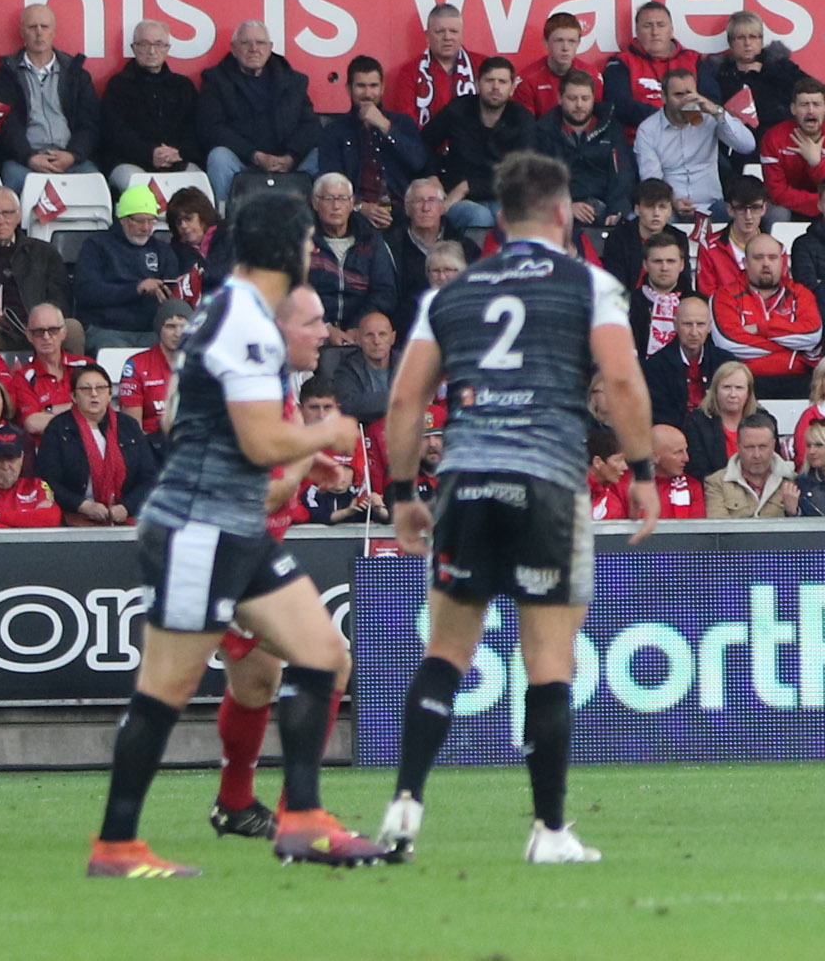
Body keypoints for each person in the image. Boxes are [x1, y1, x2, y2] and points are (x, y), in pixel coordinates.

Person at [87, 186, 387, 875]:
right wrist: (328, 431)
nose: (314, 252)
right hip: (198, 528)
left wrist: (297, 450)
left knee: (325, 655)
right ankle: (116, 842)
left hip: (234, 525)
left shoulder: (234, 311)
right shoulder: (243, 320)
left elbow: (210, 426)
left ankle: (304, 818)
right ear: (288, 247)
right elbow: (256, 441)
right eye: (309, 241)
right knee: (163, 687)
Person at [375, 152, 657, 865]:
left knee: (446, 650)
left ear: (498, 219)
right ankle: (549, 829)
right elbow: (621, 377)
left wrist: (404, 491)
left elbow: (405, 399)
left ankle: (405, 802)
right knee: (548, 659)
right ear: (563, 214)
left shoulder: (454, 290)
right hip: (548, 481)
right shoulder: (589, 282)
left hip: (466, 477)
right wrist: (645, 469)